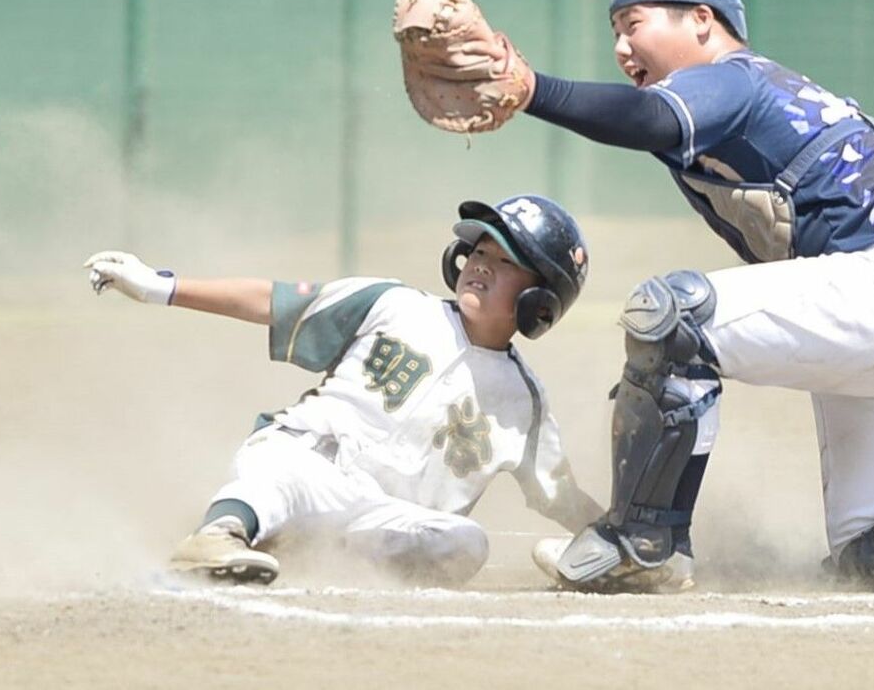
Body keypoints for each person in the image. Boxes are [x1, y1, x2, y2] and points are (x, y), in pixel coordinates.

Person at [501, 0, 874, 595]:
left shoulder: (732, 78)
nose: (620, 47)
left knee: (671, 316)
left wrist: (531, 89)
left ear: (702, 19)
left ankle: (641, 545)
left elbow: (647, 119)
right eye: (614, 30)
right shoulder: (750, 89)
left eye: (634, 23)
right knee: (868, 544)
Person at [83, 194, 602, 586]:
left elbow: (561, 495)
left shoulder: (523, 401)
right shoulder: (396, 305)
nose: (481, 264)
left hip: (378, 518)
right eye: (478, 250)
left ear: (540, 302)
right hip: (313, 458)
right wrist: (162, 287)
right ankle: (219, 535)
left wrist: (622, 543)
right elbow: (274, 301)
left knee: (466, 542)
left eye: (507, 260)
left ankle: (309, 556)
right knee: (279, 477)